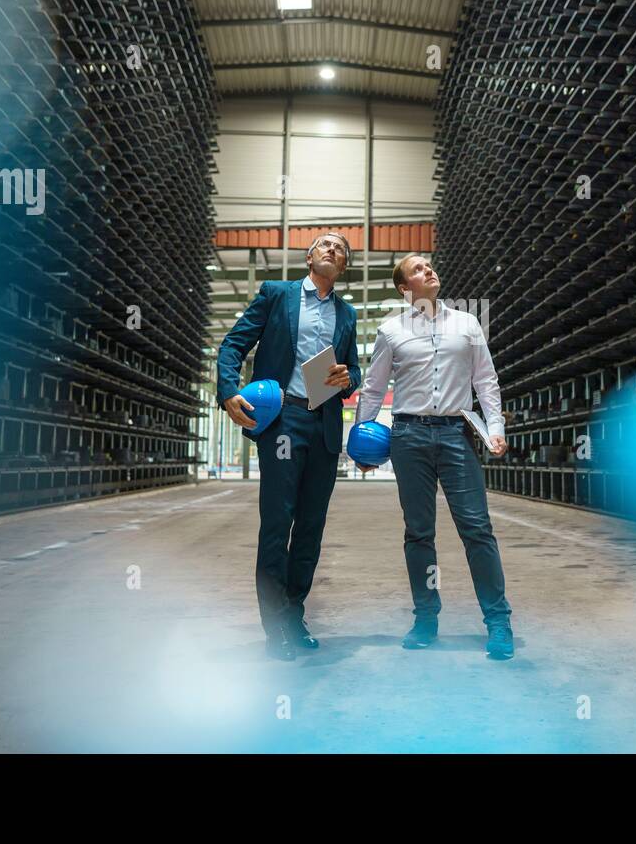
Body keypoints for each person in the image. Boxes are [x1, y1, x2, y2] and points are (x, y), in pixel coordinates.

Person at [355, 253, 515, 659]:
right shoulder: (391, 330)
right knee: (419, 532)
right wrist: (360, 441)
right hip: (407, 436)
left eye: (429, 265)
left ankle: (498, 622)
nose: (429, 270)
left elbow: (486, 381)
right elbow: (373, 389)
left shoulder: (467, 324)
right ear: (404, 288)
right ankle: (426, 618)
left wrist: (494, 429)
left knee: (477, 527)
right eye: (418, 269)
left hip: (456, 434)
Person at [217, 233, 360, 660]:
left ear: (345, 266)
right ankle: (274, 626)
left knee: (311, 528)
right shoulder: (276, 294)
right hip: (283, 420)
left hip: (325, 424)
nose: (333, 250)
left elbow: (350, 366)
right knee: (278, 522)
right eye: (326, 245)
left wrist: (348, 375)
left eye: (342, 249)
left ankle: (293, 615)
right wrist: (228, 391)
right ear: (309, 256)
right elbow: (232, 345)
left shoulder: (348, 314)